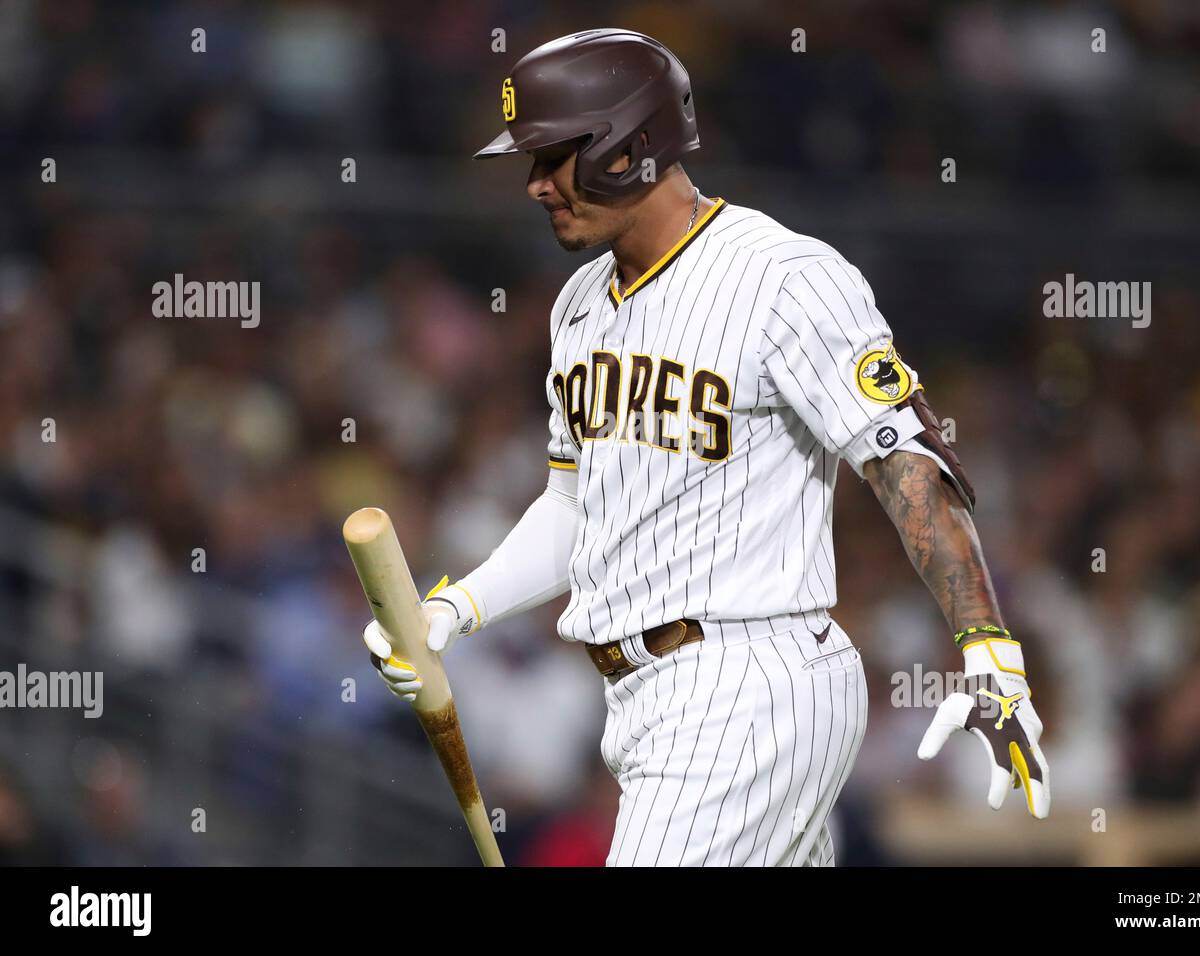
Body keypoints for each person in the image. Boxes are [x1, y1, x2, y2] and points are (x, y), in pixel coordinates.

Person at [363, 28, 1049, 866]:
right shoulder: (578, 305)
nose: (536, 183)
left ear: (628, 146)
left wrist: (987, 646)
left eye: (552, 157)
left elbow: (905, 459)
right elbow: (576, 507)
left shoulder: (784, 277)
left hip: (745, 684)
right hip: (645, 698)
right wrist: (450, 611)